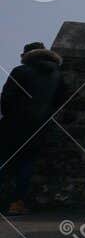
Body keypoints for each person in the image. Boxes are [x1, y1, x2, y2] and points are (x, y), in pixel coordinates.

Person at [0, 42, 64, 214]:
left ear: (28, 55)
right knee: (26, 165)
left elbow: (6, 97)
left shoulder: (20, 71)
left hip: (13, 125)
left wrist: (8, 116)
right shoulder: (57, 75)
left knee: (3, 161)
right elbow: (60, 101)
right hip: (38, 127)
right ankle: (16, 204)